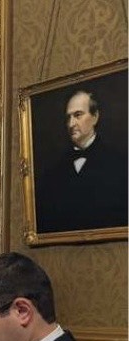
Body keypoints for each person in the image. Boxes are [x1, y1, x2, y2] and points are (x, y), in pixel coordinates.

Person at [36, 89, 128, 233]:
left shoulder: (120, 164)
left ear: (95, 117)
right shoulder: (52, 173)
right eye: (68, 117)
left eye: (78, 115)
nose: (71, 123)